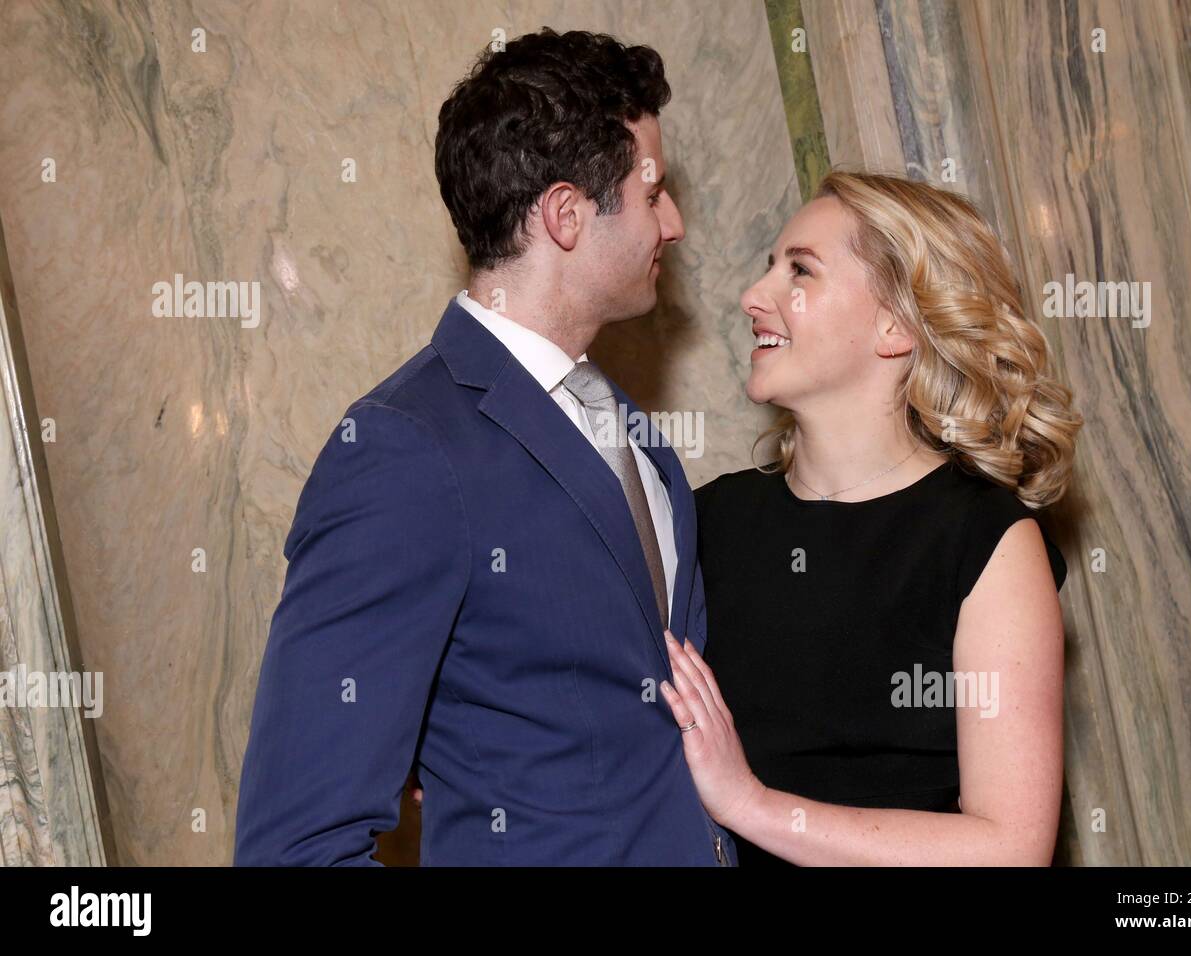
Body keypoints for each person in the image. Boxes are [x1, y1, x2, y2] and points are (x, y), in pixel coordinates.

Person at [234, 27, 738, 866]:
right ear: (567, 215)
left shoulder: (638, 439)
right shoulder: (404, 452)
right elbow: (298, 843)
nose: (675, 223)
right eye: (654, 193)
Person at [660, 171, 1083, 865]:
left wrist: (751, 805)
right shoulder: (710, 519)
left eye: (800, 270)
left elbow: (1010, 849)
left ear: (895, 325)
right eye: (770, 266)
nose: (754, 297)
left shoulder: (983, 540)